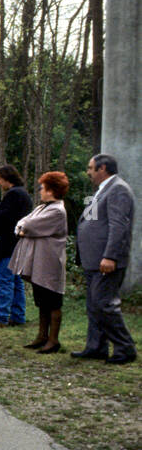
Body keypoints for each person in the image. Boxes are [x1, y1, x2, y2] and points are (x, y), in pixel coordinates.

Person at [72, 154, 136, 363]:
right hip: (92, 259)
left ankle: (125, 348)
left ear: (103, 168)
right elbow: (91, 222)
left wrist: (110, 256)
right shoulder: (101, 190)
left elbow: (119, 226)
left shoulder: (118, 189)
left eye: (91, 168)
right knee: (93, 304)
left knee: (104, 303)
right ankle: (96, 346)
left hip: (106, 260)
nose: (88, 172)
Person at [9, 171, 69, 354]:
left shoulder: (57, 210)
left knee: (53, 300)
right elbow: (23, 222)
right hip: (39, 263)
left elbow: (29, 226)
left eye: (43, 188)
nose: (40, 191)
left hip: (50, 263)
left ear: (51, 190)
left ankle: (53, 339)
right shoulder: (43, 207)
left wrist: (23, 229)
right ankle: (42, 336)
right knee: (41, 300)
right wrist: (22, 228)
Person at [0, 165, 34, 327]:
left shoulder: (14, 194)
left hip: (8, 245)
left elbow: (6, 218)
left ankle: (0, 317)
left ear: (7, 178)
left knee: (5, 281)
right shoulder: (22, 193)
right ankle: (18, 315)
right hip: (16, 244)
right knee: (16, 281)